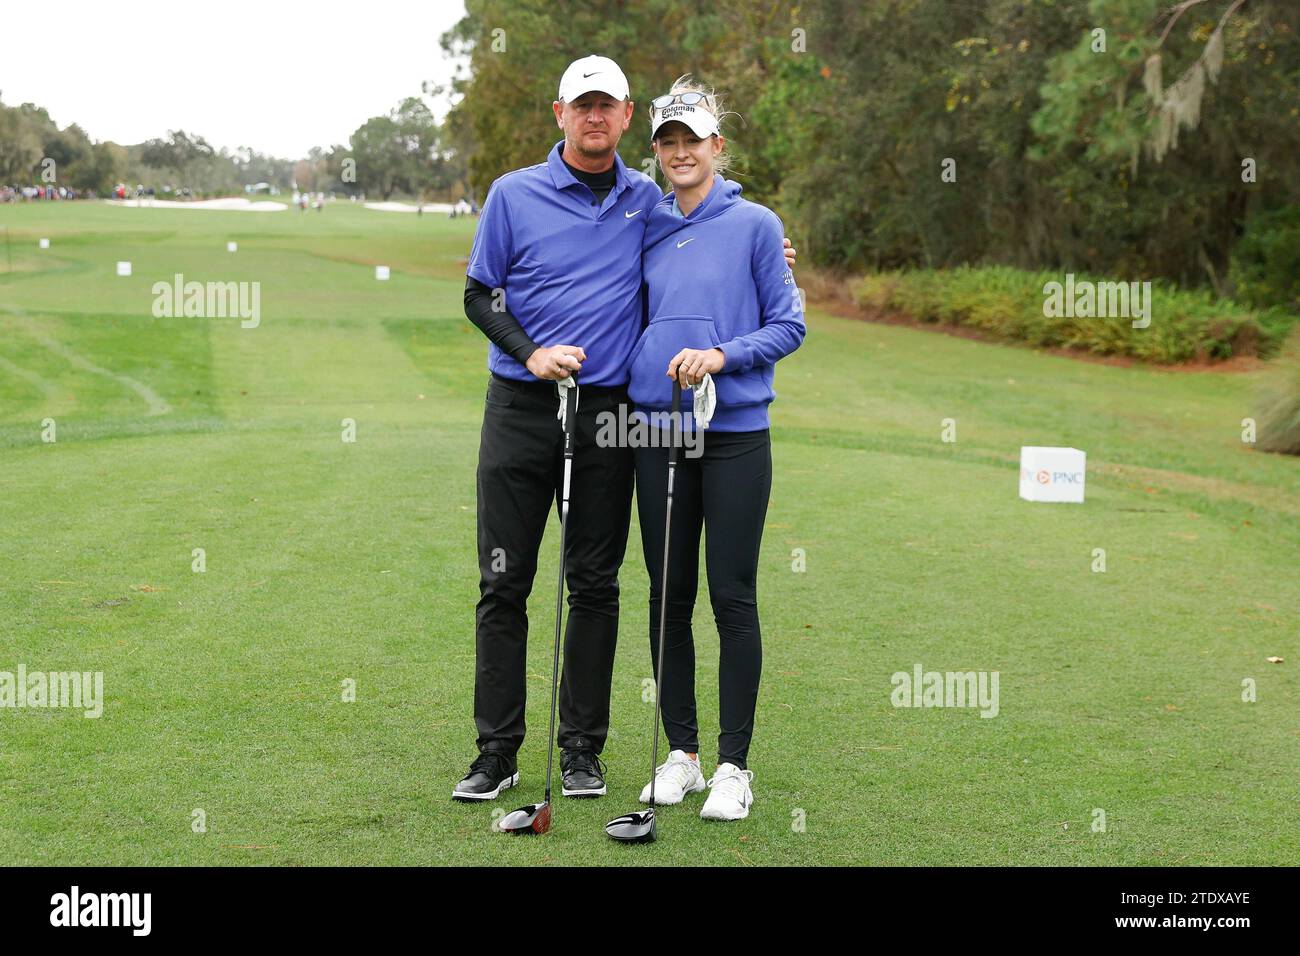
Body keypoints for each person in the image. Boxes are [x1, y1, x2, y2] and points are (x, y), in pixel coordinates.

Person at [453, 56, 796, 803]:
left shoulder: (652, 201)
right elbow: (480, 295)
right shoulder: (518, 194)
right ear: (561, 113)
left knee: (597, 583)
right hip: (522, 406)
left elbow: (727, 247)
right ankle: (497, 752)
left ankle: (582, 750)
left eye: (607, 105)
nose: (595, 116)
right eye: (583, 106)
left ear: (626, 115)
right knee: (505, 581)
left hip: (611, 414)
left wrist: (767, 252)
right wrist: (530, 352)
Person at [627, 77, 806, 821]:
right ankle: (682, 754)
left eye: (690, 141)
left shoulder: (758, 225)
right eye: (666, 142)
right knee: (668, 597)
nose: (678, 153)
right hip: (657, 431)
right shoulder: (645, 223)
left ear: (717, 147)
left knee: (731, 596)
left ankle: (734, 766)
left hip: (735, 435)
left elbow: (788, 325)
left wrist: (721, 354)